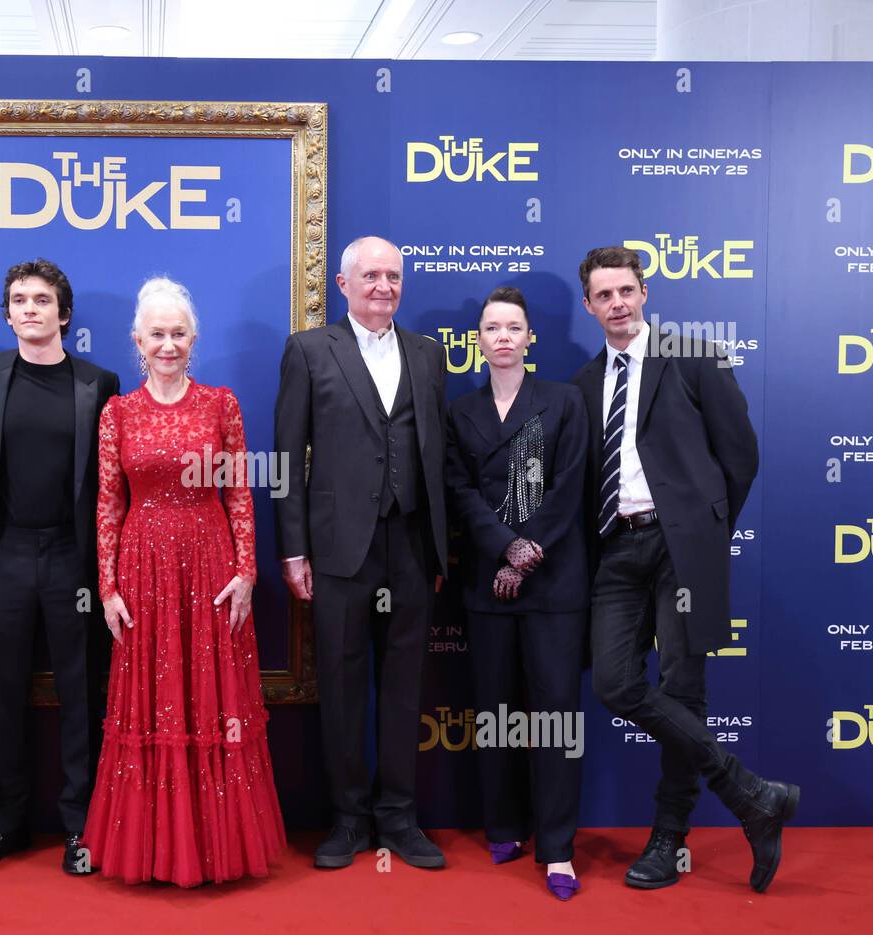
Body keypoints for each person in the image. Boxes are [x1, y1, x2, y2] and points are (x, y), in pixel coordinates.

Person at [572, 246, 797, 893]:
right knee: (615, 682)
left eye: (626, 291)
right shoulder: (586, 384)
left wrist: (702, 529)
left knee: (682, 689)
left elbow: (740, 455)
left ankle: (668, 841)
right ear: (589, 306)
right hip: (616, 551)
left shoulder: (694, 356)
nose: (617, 303)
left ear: (643, 293)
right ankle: (749, 792)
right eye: (604, 295)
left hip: (683, 550)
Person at [82, 277, 285, 887]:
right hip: (143, 571)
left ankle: (213, 845)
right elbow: (108, 503)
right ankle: (151, 849)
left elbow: (239, 495)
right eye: (156, 335)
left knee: (213, 700)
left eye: (178, 334)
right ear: (136, 341)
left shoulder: (220, 403)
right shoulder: (117, 411)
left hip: (210, 565)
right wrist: (108, 586)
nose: (167, 345)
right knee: (152, 699)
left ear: (193, 339)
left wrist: (247, 571)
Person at [274, 235, 449, 869]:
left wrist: (439, 551)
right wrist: (293, 549)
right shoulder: (308, 350)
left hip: (410, 546)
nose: (384, 285)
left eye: (394, 276)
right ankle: (348, 819)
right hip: (338, 550)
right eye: (370, 275)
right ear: (343, 285)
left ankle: (399, 816)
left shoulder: (429, 356)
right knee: (343, 686)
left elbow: (437, 455)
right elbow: (286, 459)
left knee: (404, 688)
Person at [0, 259, 120, 874]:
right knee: (2, 693)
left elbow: (110, 482)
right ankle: (4, 822)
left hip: (72, 559)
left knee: (82, 693)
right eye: (19, 299)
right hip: (4, 556)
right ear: (8, 313)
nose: (30, 308)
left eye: (42, 300)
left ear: (64, 313)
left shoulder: (98, 383)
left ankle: (83, 826)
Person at [444, 286, 588, 900]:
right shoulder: (459, 411)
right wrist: (503, 548)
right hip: (487, 583)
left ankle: (557, 848)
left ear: (530, 338)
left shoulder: (563, 401)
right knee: (497, 713)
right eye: (491, 327)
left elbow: (569, 487)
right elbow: (460, 492)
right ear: (477, 339)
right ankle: (503, 826)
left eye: (513, 327)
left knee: (555, 717)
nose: (502, 336)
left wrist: (525, 557)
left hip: (553, 584)